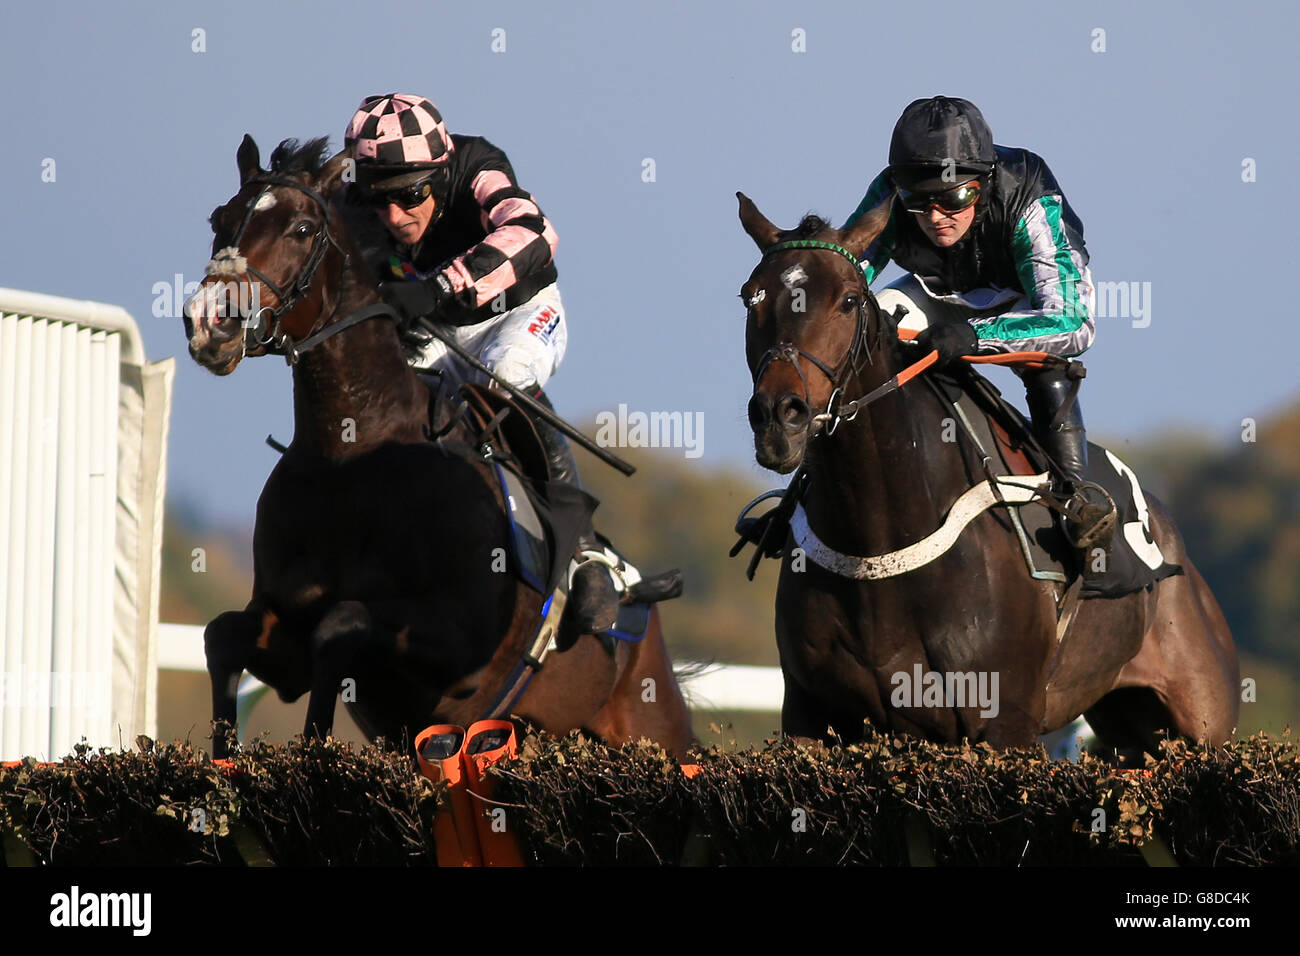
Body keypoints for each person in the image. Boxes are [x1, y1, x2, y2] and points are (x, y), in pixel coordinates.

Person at [343, 92, 617, 630]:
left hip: (518, 314)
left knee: (509, 379)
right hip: (438, 331)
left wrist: (441, 283)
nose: (394, 217)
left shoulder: (478, 165)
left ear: (440, 172)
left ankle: (585, 553)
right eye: (379, 200)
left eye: (410, 195)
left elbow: (535, 233)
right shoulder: (358, 201)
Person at [842, 95, 1116, 561]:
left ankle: (1076, 500)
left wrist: (977, 337)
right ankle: (813, 489)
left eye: (953, 198)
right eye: (918, 201)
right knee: (860, 331)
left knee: (1048, 364)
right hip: (939, 294)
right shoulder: (890, 190)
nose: (934, 218)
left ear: (983, 183)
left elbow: (1074, 322)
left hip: (1028, 303)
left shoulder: (1029, 191)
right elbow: (847, 275)